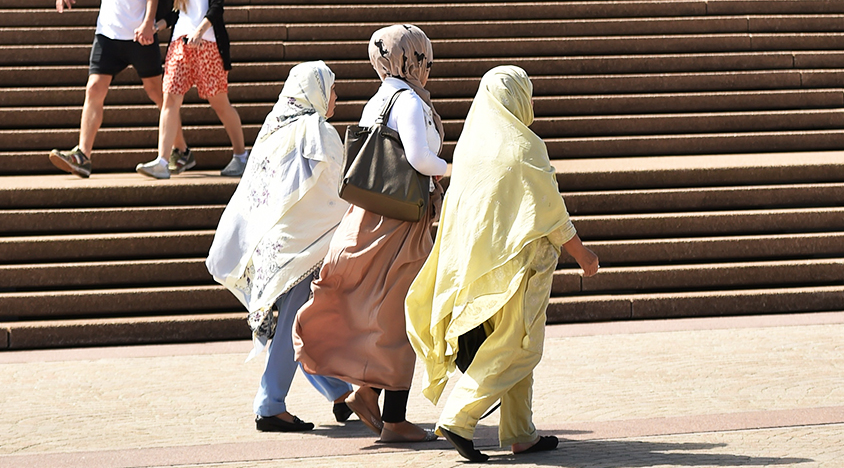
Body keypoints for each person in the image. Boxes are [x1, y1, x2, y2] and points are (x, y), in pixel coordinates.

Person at [406, 66, 599, 463]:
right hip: (518, 269)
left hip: (479, 271)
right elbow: (550, 210)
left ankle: (520, 433)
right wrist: (583, 254)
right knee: (517, 349)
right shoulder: (524, 147)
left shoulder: (471, 147)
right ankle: (459, 418)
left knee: (513, 344)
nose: (530, 103)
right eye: (527, 94)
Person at [293, 24, 446, 443]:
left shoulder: (377, 100)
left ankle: (370, 393)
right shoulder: (411, 102)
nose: (428, 68)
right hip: (400, 226)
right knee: (402, 317)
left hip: (370, 217)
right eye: (424, 59)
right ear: (410, 60)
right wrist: (453, 168)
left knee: (385, 314)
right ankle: (393, 418)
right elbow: (418, 158)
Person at [206, 61, 355, 432]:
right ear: (316, 92)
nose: (335, 96)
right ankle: (270, 405)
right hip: (301, 249)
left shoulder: (274, 127)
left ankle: (339, 393)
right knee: (295, 325)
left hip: (274, 247)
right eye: (331, 89)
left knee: (302, 325)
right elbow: (338, 190)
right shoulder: (319, 132)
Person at [51, 0, 192, 178]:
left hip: (139, 33)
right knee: (94, 88)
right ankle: (83, 155)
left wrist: (149, 22)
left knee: (157, 93)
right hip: (108, 32)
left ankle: (182, 151)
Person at [136, 0, 247, 179]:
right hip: (180, 44)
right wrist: (158, 25)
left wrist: (200, 30)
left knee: (219, 102)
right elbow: (178, 12)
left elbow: (217, 4)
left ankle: (241, 156)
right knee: (170, 99)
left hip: (208, 43)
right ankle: (163, 161)